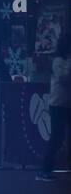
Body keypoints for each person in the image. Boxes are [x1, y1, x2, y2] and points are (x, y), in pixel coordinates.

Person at [38, 29, 71, 182]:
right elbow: (64, 79)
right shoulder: (58, 61)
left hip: (66, 103)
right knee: (57, 138)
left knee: (60, 137)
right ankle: (44, 170)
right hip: (58, 104)